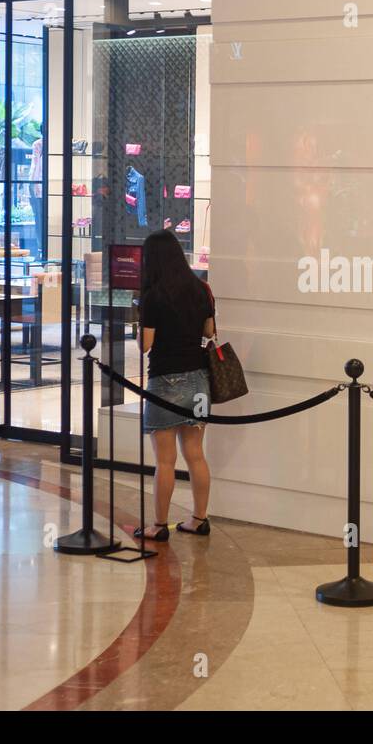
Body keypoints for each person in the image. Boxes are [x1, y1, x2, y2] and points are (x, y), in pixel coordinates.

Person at [133, 230, 216, 540]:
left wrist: (138, 325)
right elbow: (209, 331)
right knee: (195, 454)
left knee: (165, 461)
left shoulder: (153, 296)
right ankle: (199, 519)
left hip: (165, 380)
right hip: (199, 378)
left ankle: (159, 525)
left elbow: (145, 345)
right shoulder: (200, 288)